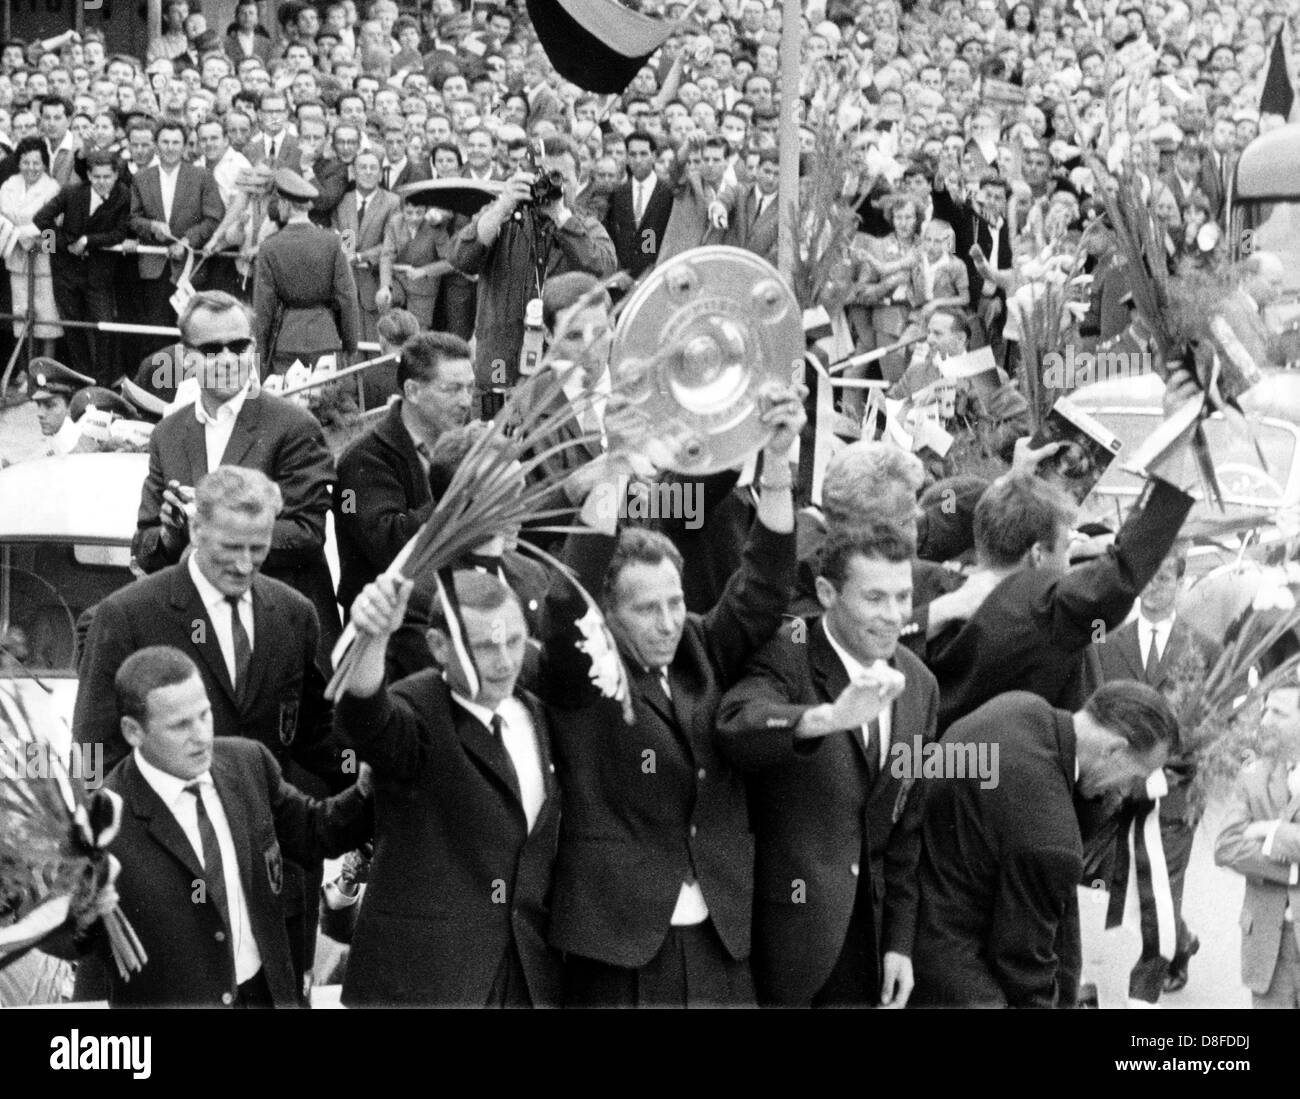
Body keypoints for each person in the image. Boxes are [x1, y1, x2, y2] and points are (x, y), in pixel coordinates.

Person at [537, 381, 804, 1007]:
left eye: (676, 603)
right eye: (646, 609)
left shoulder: (698, 647)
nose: (666, 622)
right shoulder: (584, 675)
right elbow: (564, 603)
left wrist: (778, 463)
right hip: (618, 947)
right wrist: (616, 469)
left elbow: (764, 588)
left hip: (719, 937)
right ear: (609, 613)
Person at [74, 466, 350, 993]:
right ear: (196, 530)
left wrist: (383, 772)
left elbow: (316, 735)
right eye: (230, 547)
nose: (245, 564)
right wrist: (105, 859)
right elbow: (90, 750)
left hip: (265, 889)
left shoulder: (294, 614)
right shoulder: (128, 614)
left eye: (260, 548)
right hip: (160, 887)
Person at [718, 520, 940, 1007]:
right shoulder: (786, 649)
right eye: (874, 598)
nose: (893, 615)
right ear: (826, 592)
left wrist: (900, 941)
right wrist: (824, 719)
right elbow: (739, 724)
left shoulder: (919, 683)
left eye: (903, 597)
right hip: (784, 940)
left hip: (869, 945)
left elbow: (907, 827)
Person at [71, 646, 370, 1008]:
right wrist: (80, 914)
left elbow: (314, 831)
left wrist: (366, 792)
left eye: (205, 715)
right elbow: (74, 941)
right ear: (133, 731)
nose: (201, 736)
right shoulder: (103, 820)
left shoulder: (248, 762)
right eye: (181, 725)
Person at [335, 570, 562, 1006]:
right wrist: (373, 637)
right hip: (425, 984)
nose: (504, 662)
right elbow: (365, 718)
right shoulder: (418, 709)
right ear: (438, 646)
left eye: (514, 642)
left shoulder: (535, 714)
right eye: (484, 647)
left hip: (524, 978)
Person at [912, 681, 1178, 1007]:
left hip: (903, 917)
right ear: (1114, 749)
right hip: (954, 972)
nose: (1124, 792)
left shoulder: (1017, 704)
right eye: (1136, 777)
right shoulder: (1051, 836)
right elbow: (1024, 968)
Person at [130, 291, 341, 657]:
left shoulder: (293, 426)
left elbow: (308, 533)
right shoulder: (168, 434)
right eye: (212, 349)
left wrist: (211, 533)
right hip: (199, 638)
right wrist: (168, 534)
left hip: (280, 638)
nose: (228, 359)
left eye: (239, 347)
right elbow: (145, 543)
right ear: (186, 358)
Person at [927, 447, 1194, 734]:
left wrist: (1013, 487)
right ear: (1038, 555)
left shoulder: (926, 594)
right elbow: (1126, 567)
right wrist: (1177, 444)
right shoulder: (1040, 609)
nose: (1069, 561)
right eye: (1067, 547)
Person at [1094, 543, 1220, 994]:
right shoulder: (1108, 646)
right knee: (1124, 878)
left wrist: (1174, 771)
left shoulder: (1204, 648)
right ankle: (1180, 940)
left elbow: (1212, 722)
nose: (1152, 588)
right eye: (1146, 578)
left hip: (1175, 791)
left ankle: (1142, 989)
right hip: (1119, 786)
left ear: (1180, 582)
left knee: (1162, 881)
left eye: (1163, 579)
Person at [449, 134, 616, 413]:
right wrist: (503, 205)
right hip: (501, 367)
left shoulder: (585, 225)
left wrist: (562, 217)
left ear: (578, 181)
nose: (550, 185)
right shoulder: (503, 218)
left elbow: (605, 268)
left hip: (560, 375)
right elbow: (460, 258)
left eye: (560, 178)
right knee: (494, 449)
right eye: (541, 177)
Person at [334, 331, 473, 615]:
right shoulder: (363, 458)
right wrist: (466, 495)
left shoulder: (465, 446)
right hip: (388, 624)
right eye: (452, 389)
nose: (466, 401)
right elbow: (389, 544)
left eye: (470, 388)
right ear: (412, 391)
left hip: (449, 610)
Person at [1215, 683, 1300, 1009]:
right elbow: (1226, 847)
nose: (1264, 719)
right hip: (1267, 947)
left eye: (1278, 712)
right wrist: (1293, 871)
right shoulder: (1253, 775)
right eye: (1264, 709)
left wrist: (1269, 830)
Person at [32, 149, 130, 385]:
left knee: (104, 327)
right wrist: (62, 246)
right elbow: (40, 219)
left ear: (116, 175)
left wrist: (87, 241)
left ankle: (103, 382)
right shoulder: (71, 192)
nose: (102, 183)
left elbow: (119, 232)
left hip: (99, 275)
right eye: (96, 177)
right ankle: (82, 380)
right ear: (88, 175)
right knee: (73, 329)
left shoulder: (123, 195)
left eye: (107, 177)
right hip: (66, 274)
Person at [252, 169, 360, 374]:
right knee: (327, 399)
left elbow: (263, 307)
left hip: (287, 339)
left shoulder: (269, 247)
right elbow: (347, 297)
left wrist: (261, 352)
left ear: (285, 204)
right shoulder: (333, 242)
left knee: (288, 402)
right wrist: (350, 343)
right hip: (325, 336)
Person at [126, 120, 224, 335]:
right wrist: (152, 226)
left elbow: (213, 218)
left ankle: (187, 371)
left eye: (176, 142)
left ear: (185, 146)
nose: (170, 147)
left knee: (190, 332)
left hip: (189, 268)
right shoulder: (141, 178)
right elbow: (132, 218)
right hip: (154, 268)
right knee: (156, 332)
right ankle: (159, 370)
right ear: (156, 145)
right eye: (165, 142)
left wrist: (188, 241)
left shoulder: (202, 177)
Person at [0, 136, 62, 359]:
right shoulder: (9, 185)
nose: (31, 168)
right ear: (18, 163)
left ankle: (45, 373)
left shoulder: (53, 188)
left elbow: (52, 231)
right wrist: (19, 233)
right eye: (26, 162)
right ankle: (26, 371)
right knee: (22, 319)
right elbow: (4, 216)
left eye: (36, 163)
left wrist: (29, 237)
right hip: (16, 261)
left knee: (46, 321)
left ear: (44, 163)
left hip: (43, 264)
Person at [333, 148, 399, 343]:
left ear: (380, 173)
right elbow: (342, 232)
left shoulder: (392, 202)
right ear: (353, 171)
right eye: (363, 167)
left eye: (373, 168)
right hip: (347, 284)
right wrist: (348, 252)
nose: (368, 172)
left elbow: (390, 242)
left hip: (374, 284)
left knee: (373, 344)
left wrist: (360, 257)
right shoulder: (344, 200)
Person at [603, 131, 672, 278]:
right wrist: (619, 271)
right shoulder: (618, 194)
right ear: (627, 158)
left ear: (653, 156)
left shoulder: (668, 193)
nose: (638, 160)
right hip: (624, 279)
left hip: (657, 276)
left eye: (643, 154)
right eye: (633, 155)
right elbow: (611, 237)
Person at [27, 357, 95, 456]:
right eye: (39, 404)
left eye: (49, 405)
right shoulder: (56, 442)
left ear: (71, 407)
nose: (40, 413)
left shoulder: (82, 454)